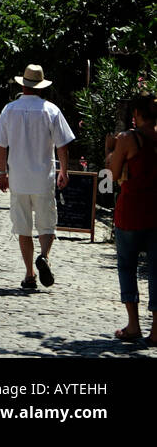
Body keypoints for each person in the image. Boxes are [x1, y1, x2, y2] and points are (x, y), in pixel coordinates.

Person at [0, 64, 76, 291]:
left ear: (23, 85)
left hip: (18, 178)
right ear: (41, 87)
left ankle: (29, 275)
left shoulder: (9, 109)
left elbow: (0, 143)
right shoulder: (51, 110)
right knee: (47, 226)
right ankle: (44, 257)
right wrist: (63, 170)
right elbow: (63, 145)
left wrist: (2, 172)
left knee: (23, 228)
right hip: (43, 178)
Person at [105, 92, 157, 342]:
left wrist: (109, 151)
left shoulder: (128, 139)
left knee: (127, 267)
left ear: (136, 115)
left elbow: (111, 177)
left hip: (131, 213)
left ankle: (133, 325)